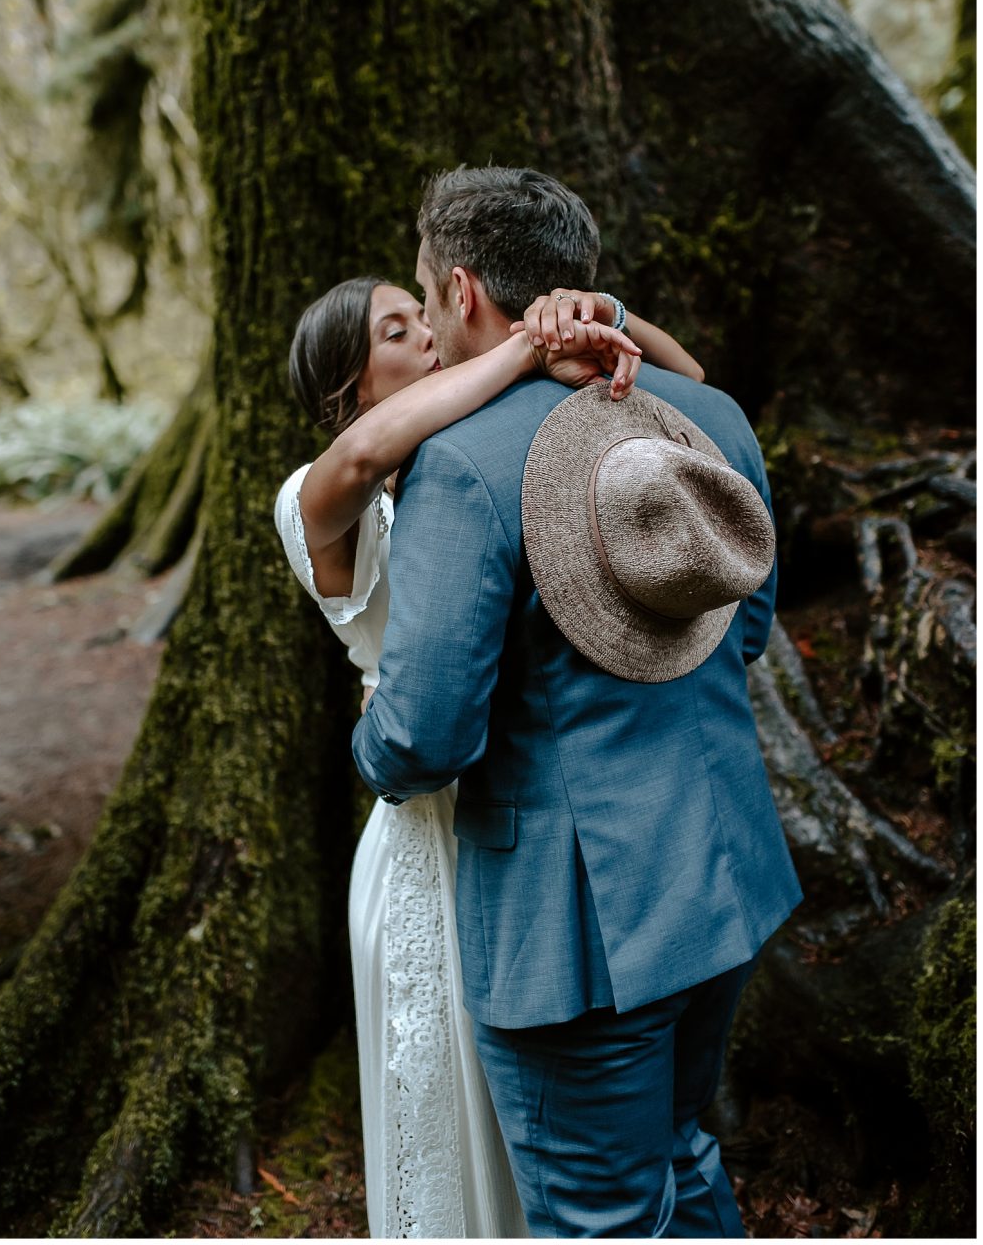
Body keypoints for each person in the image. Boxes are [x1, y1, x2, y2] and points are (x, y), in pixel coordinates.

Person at [352, 165, 803, 1238]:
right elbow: (743, 628)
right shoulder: (708, 414)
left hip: (581, 930)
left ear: (462, 291)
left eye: (425, 290)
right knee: (683, 1164)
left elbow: (423, 735)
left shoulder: (458, 464)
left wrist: (368, 743)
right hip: (722, 879)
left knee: (597, 1217)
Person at [275, 266, 703, 1238]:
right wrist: (521, 345)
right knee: (449, 1096)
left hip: (518, 814)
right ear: (347, 383)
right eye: (393, 331)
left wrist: (603, 322)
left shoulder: (473, 443)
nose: (425, 334)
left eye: (417, 312)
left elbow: (693, 387)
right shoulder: (316, 495)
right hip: (425, 831)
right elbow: (365, 452)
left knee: (549, 1121)